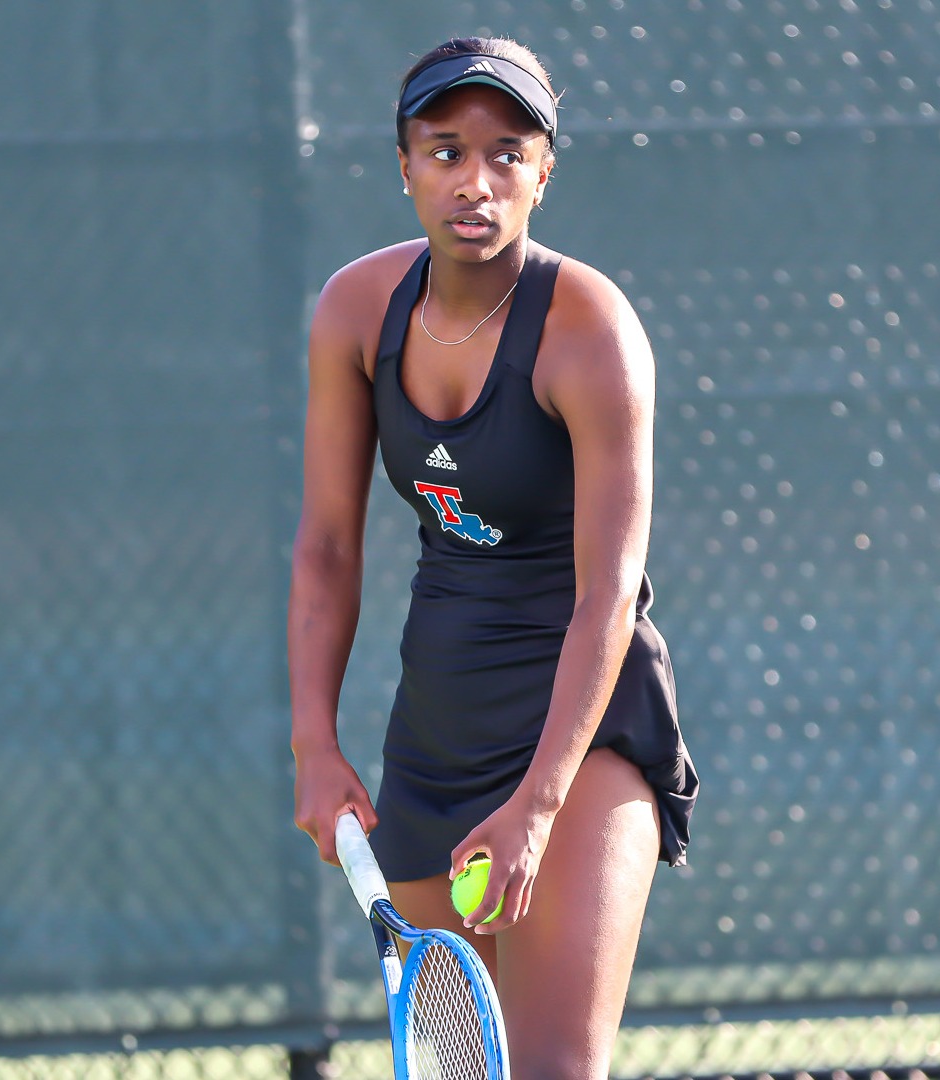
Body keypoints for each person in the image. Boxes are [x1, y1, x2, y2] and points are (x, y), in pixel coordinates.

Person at [287, 35, 700, 1080]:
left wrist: (541, 805)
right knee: (463, 1070)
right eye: (445, 151)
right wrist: (315, 747)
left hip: (586, 729)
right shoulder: (352, 314)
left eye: (507, 154)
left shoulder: (592, 331)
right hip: (437, 731)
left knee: (554, 1070)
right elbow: (329, 548)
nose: (475, 181)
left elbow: (609, 595)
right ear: (404, 165)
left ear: (544, 172)